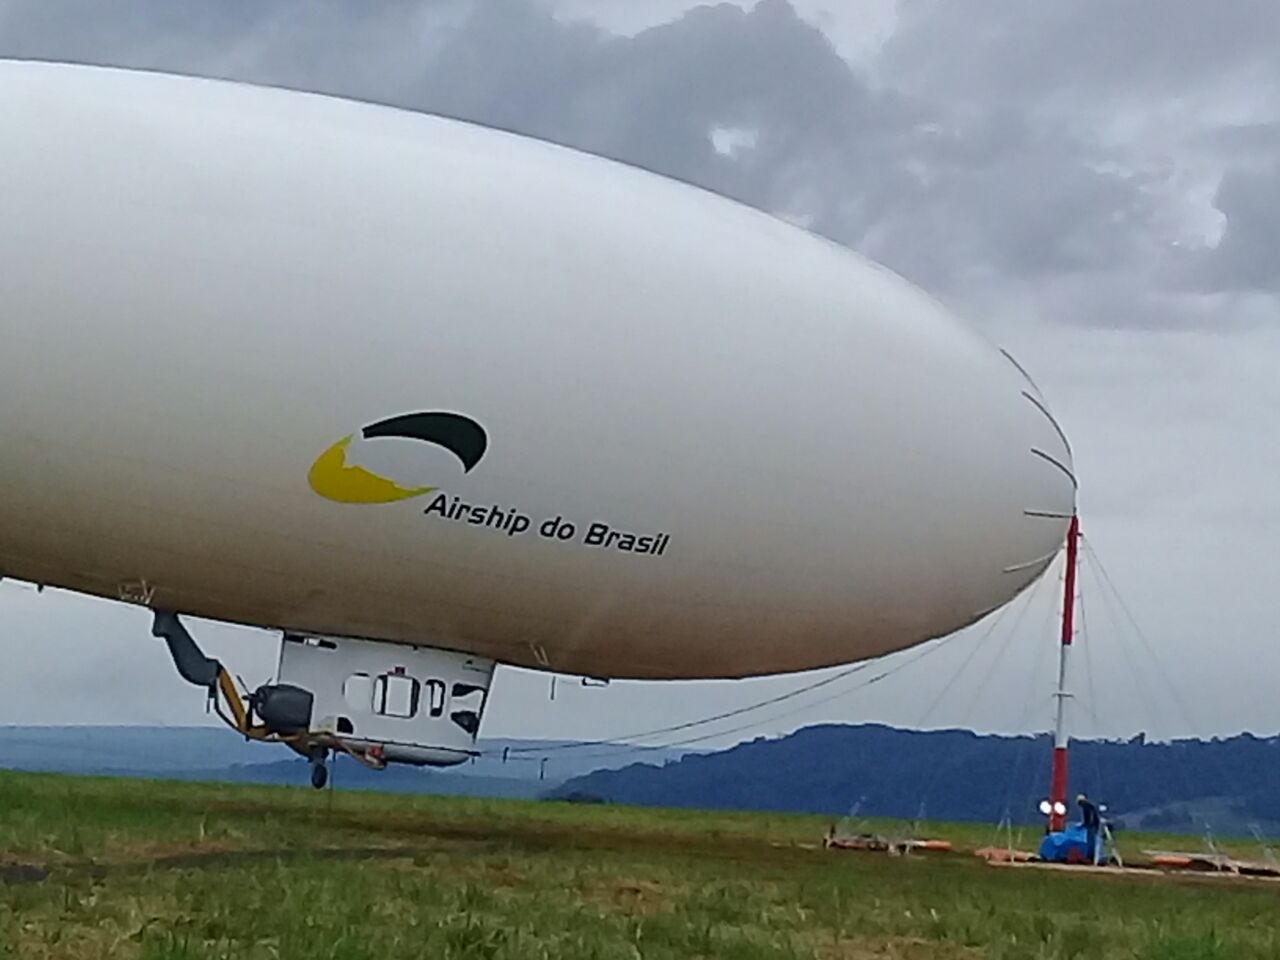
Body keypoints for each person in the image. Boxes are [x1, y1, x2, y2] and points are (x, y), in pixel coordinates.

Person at [1077, 793, 1101, 863]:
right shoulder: (1090, 805)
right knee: (1092, 841)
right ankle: (1091, 856)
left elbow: (1090, 817)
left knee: (1091, 841)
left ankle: (1090, 857)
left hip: (1092, 825)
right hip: (1094, 824)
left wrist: (1086, 824)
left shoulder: (1086, 806)